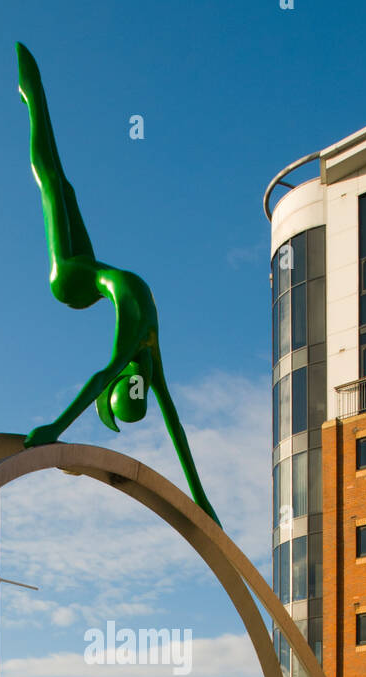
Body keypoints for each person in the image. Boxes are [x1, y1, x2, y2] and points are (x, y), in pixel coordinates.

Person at [16, 43, 220, 527]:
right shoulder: (138, 352)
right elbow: (107, 382)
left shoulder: (147, 357)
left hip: (91, 277)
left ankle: (36, 94)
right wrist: (55, 428)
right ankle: (33, 93)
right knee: (54, 182)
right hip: (80, 279)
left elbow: (174, 426)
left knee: (60, 185)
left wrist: (201, 498)